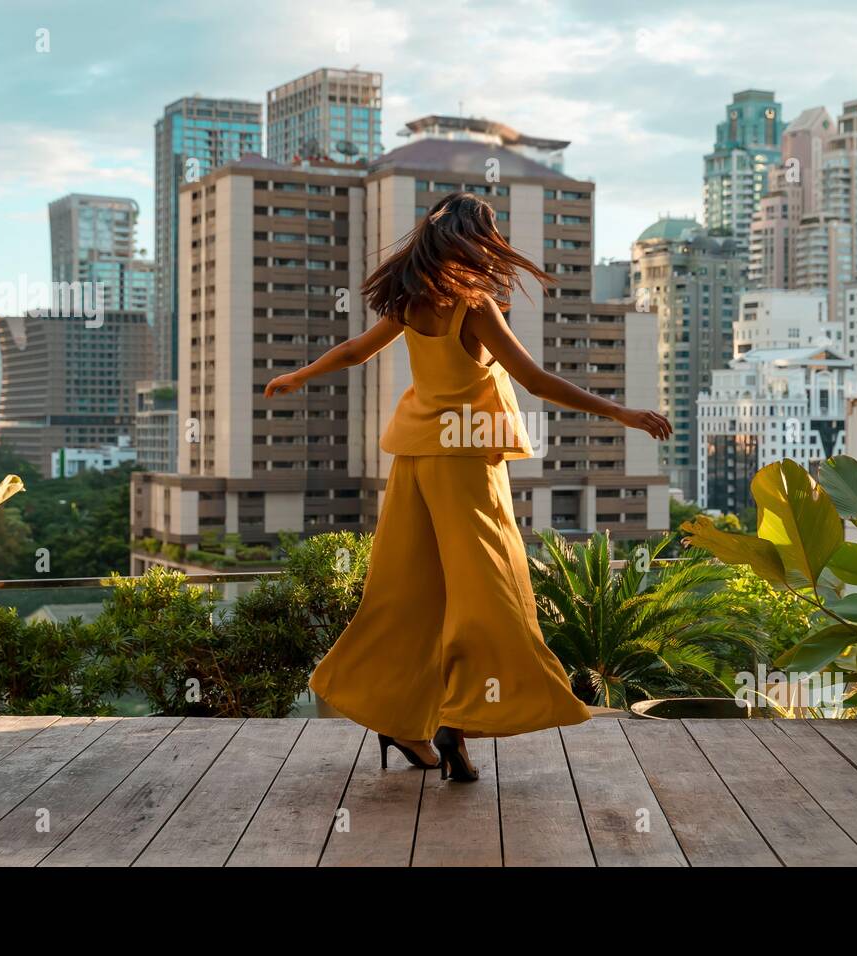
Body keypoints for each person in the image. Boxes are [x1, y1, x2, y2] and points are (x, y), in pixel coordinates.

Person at [264, 192, 671, 782]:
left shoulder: (410, 303)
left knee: (410, 590)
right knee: (489, 593)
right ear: (474, 240)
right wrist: (622, 413)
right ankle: (455, 722)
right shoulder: (473, 306)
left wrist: (298, 375)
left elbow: (355, 352)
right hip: (465, 463)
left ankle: (404, 720)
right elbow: (533, 378)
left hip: (415, 459)